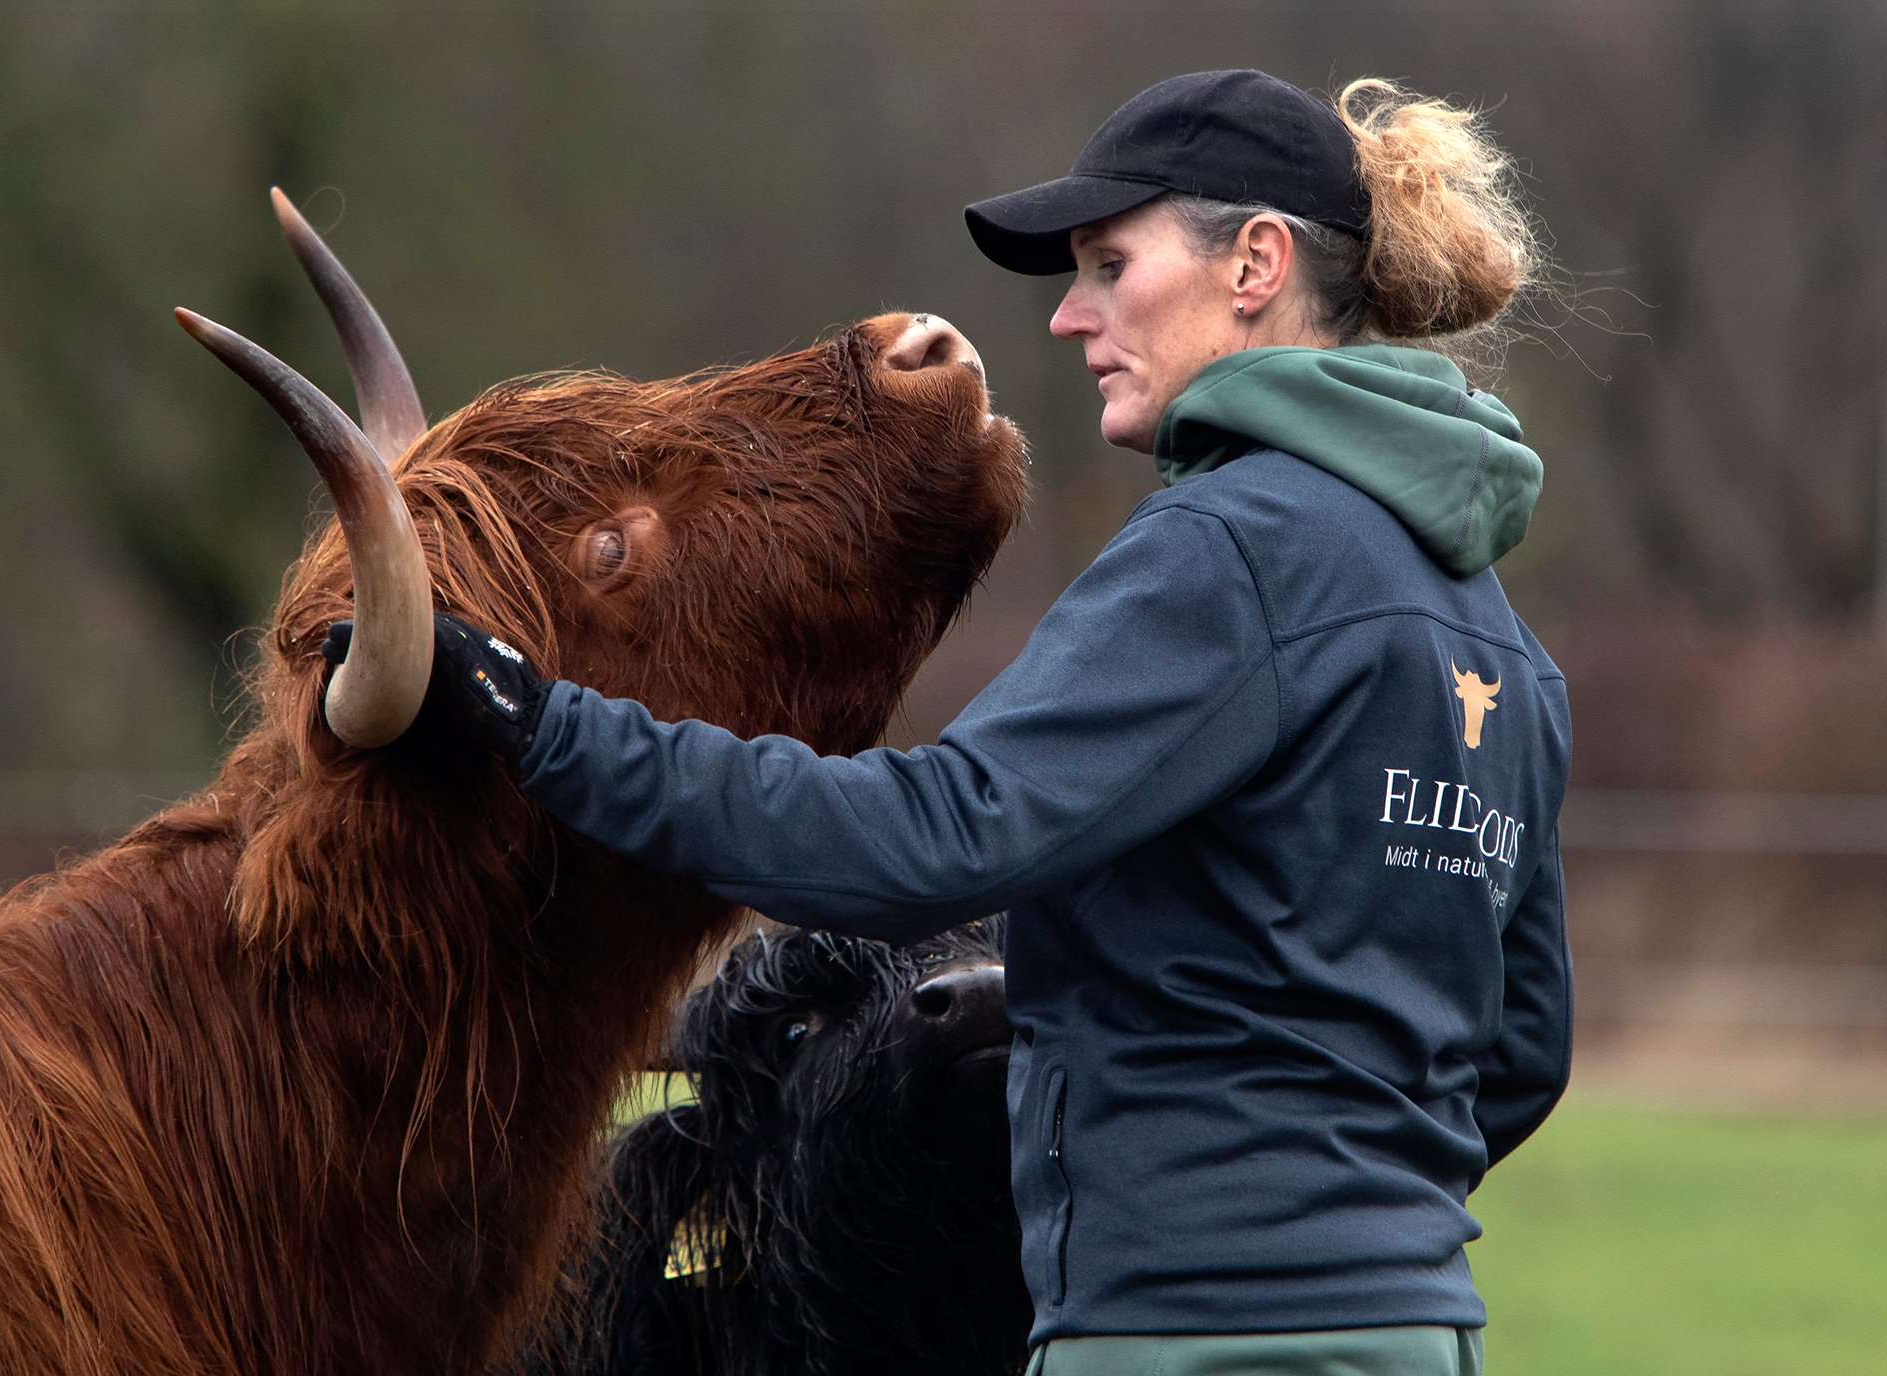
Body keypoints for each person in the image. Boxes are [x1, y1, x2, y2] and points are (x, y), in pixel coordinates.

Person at [335, 69, 1571, 1376]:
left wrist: (546, 728)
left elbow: (933, 838)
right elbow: (1525, 1044)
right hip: (1416, 1336)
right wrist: (1341, 1221)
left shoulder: (1233, 550)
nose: (1071, 316)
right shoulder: (1495, 640)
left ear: (1255, 262)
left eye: (1107, 263)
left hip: (1186, 1339)